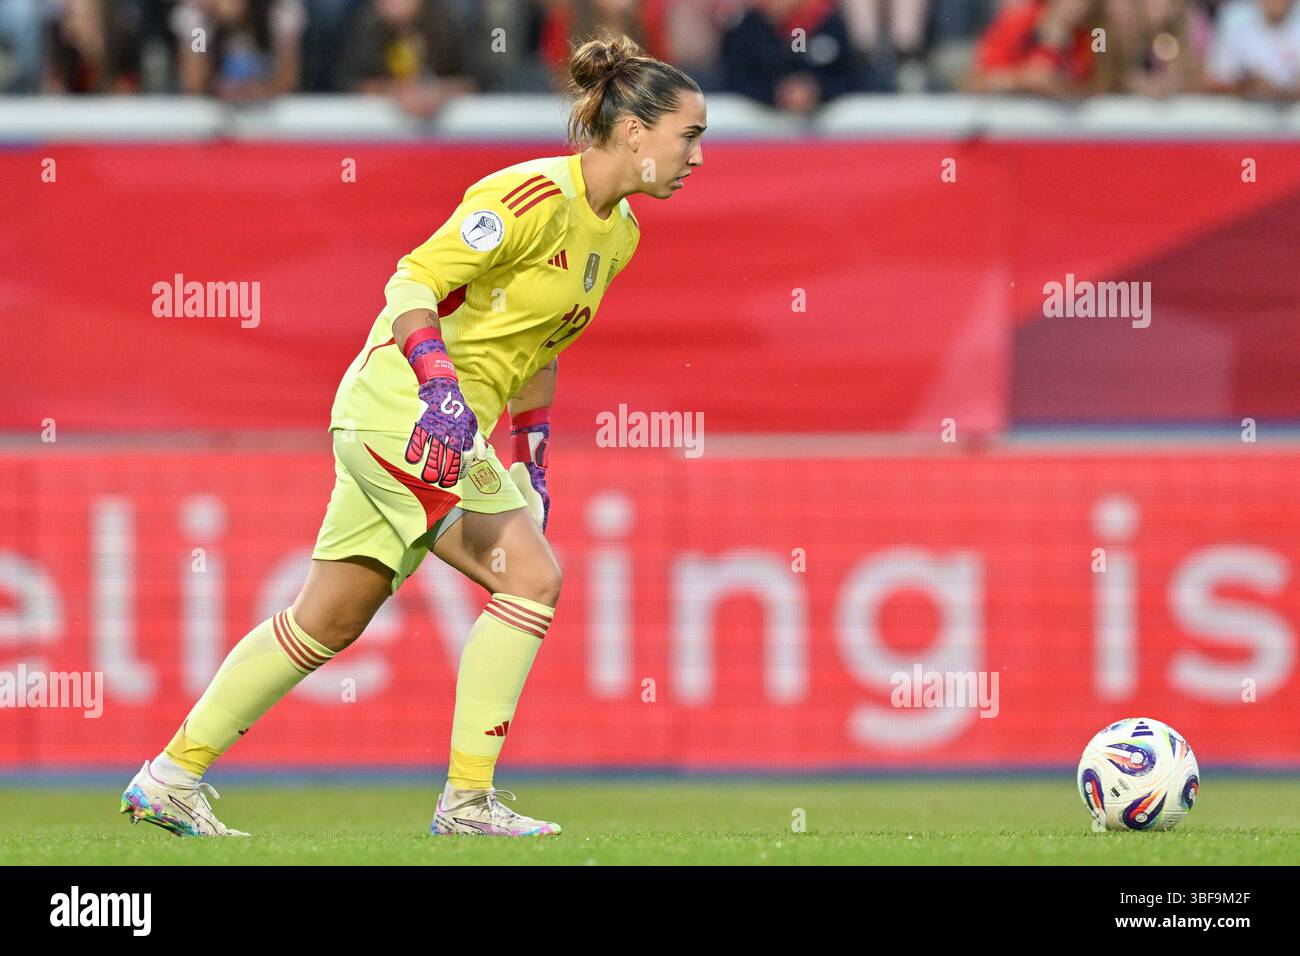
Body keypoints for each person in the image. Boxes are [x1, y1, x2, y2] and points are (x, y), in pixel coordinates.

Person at [119, 32, 705, 838]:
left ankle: (168, 778)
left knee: (327, 620)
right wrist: (437, 387)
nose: (697, 156)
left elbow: (541, 354)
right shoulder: (531, 197)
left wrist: (531, 463)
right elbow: (413, 279)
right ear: (635, 131)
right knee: (531, 580)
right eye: (689, 135)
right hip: (410, 412)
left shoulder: (621, 234)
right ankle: (467, 802)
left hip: (418, 424)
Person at [1207, 0, 1300, 99]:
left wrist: (1283, 93)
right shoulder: (1234, 16)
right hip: (1242, 107)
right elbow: (1216, 80)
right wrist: (1246, 85)